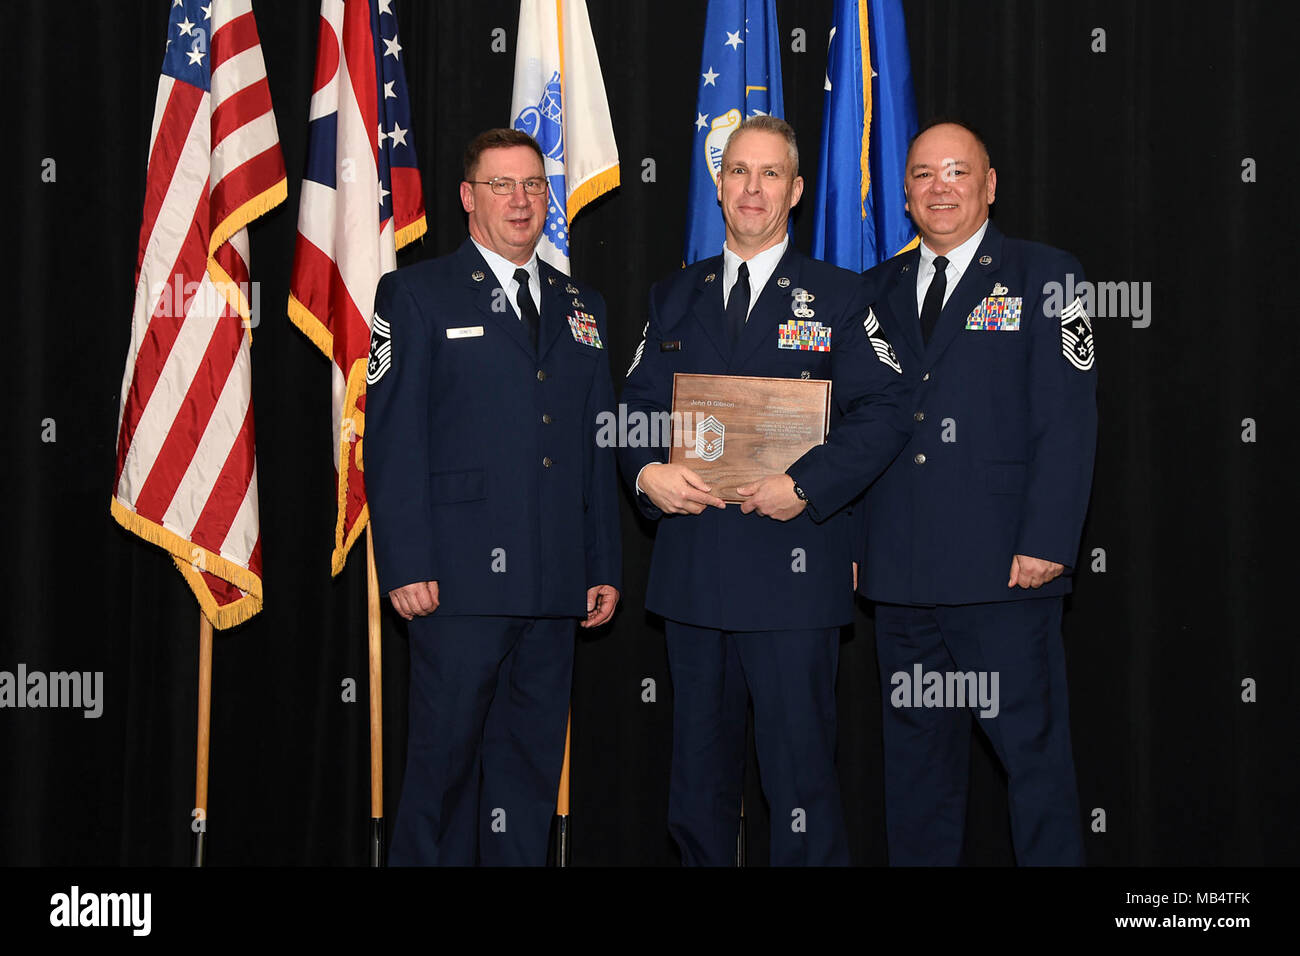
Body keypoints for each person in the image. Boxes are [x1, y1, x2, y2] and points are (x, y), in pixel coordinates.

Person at [619, 116, 910, 865]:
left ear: (797, 189)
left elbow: (885, 414)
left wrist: (807, 486)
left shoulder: (841, 298)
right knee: (697, 789)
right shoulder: (671, 296)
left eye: (770, 173)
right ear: (718, 186)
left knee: (801, 786)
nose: (753, 188)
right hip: (694, 576)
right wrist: (647, 473)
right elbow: (633, 413)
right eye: (739, 172)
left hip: (794, 575)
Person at [365, 128, 621, 866]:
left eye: (533, 186)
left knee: (527, 778)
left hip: (552, 580)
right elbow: (393, 438)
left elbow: (594, 442)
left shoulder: (584, 305)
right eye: (502, 185)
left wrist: (601, 561)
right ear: (467, 197)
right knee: (440, 778)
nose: (520, 200)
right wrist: (405, 561)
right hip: (456, 582)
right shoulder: (415, 293)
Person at [857, 120, 1097, 865]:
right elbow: (858, 429)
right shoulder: (873, 291)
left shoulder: (1048, 277)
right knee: (917, 772)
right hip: (901, 576)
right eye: (924, 174)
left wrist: (1049, 542)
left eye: (958, 171)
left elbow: (1068, 421)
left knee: (1033, 761)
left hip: (1005, 572)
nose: (941, 188)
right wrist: (860, 547)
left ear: (989, 185)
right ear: (904, 193)